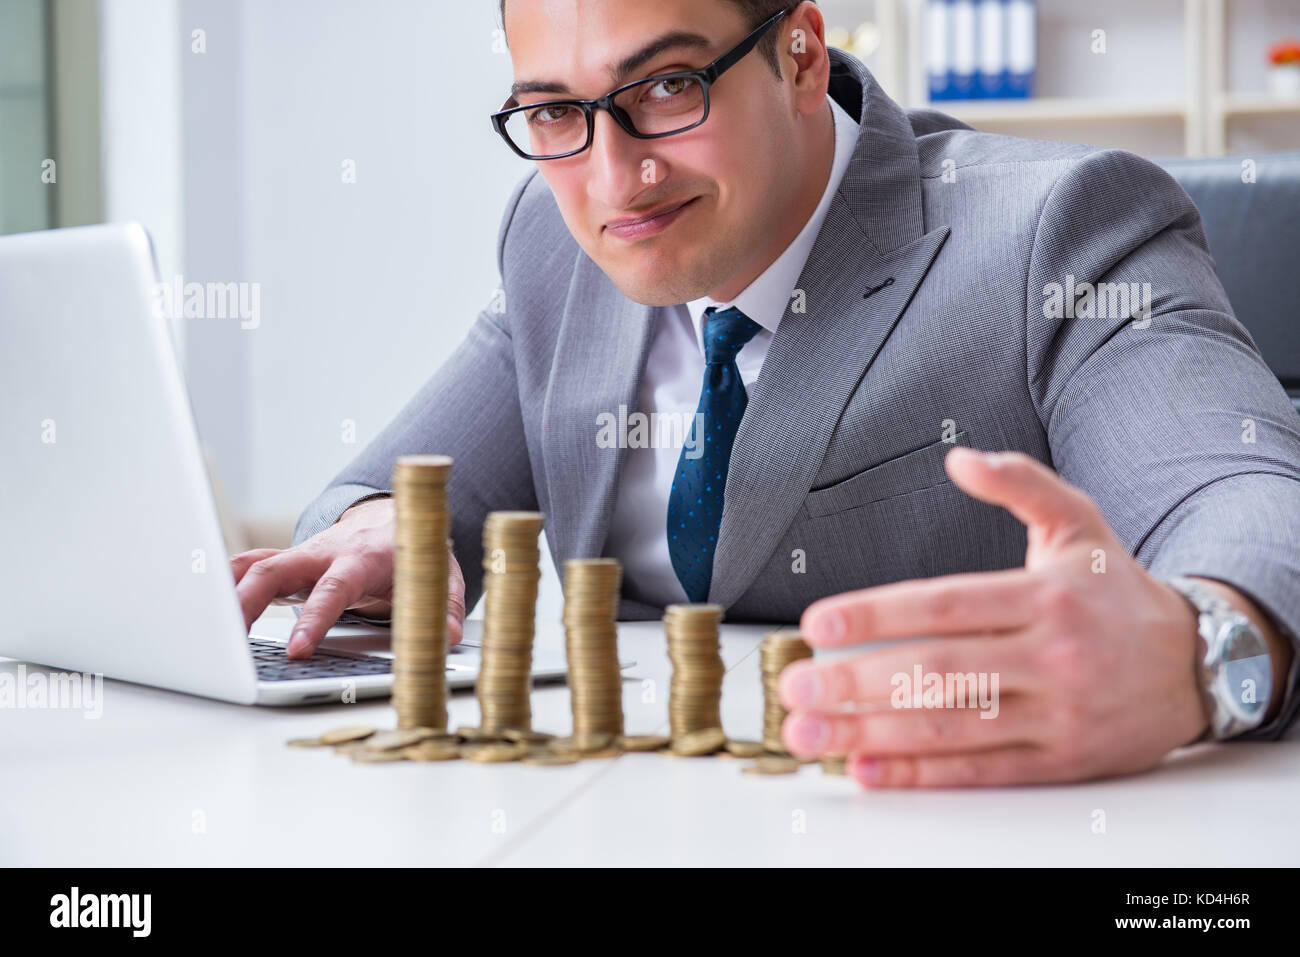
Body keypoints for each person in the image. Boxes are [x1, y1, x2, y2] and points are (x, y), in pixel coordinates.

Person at [232, 0, 1300, 787]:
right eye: (555, 111)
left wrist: (1199, 652)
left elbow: (1243, 494)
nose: (614, 180)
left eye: (664, 87)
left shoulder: (1057, 230)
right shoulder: (553, 247)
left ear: (798, 52)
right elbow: (396, 487)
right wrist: (372, 530)